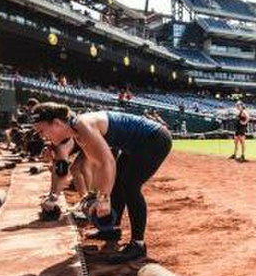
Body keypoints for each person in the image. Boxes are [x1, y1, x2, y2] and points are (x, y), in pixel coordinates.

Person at [32, 103, 172, 263]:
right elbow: (80, 166)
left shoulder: (82, 125)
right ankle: (112, 229)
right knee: (118, 181)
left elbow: (107, 162)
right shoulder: (75, 132)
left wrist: (103, 198)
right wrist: (54, 196)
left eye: (42, 131)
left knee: (130, 185)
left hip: (154, 139)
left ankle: (138, 244)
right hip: (135, 144)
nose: (42, 136)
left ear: (57, 123)